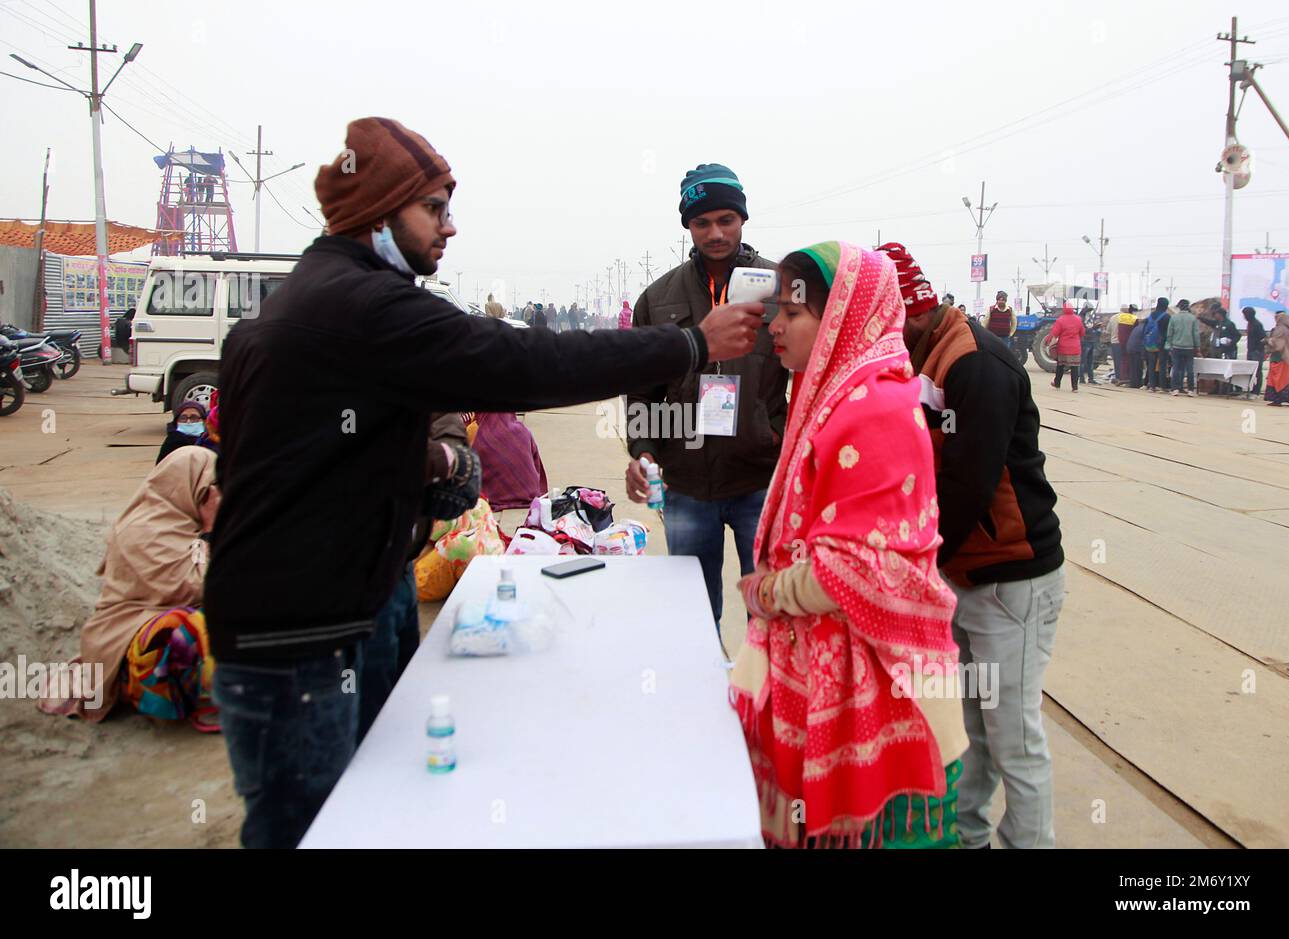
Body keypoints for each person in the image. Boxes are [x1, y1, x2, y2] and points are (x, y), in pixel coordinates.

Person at [206, 118, 766, 849]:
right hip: (299, 634)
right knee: (312, 825)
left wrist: (433, 469)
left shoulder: (323, 301)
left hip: (362, 596)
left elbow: (316, 454)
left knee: (377, 804)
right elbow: (526, 362)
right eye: (433, 209)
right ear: (379, 212)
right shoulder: (362, 306)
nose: (450, 226)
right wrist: (690, 342)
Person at [730, 241, 968, 849]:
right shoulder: (830, 395)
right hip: (829, 673)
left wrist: (766, 593)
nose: (775, 325)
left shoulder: (875, 408)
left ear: (842, 317)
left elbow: (855, 569)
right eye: (777, 310)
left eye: (793, 312)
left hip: (888, 691)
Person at [884, 242, 1065, 849]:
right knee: (969, 725)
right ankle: (968, 836)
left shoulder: (976, 365)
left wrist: (920, 568)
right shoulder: (925, 356)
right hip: (964, 569)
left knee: (1014, 735)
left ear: (911, 310)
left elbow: (968, 485)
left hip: (1010, 577)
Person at [624, 163, 788, 633]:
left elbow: (810, 376)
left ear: (742, 219)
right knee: (693, 618)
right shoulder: (657, 299)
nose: (715, 233)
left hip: (763, 481)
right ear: (688, 226)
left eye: (726, 220)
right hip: (686, 485)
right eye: (702, 222)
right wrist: (643, 452)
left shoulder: (781, 288)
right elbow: (642, 390)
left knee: (773, 617)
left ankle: (765, 684)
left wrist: (784, 441)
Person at [39, 448, 222, 731]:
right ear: (190, 486)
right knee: (191, 627)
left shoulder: (186, 526)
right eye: (214, 487)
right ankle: (201, 704)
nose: (220, 496)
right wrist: (211, 532)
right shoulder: (143, 530)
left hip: (166, 622)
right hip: (130, 640)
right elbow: (197, 589)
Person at [359, 412, 476, 743]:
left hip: (398, 560)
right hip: (352, 582)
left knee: (404, 705)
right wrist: (448, 461)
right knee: (372, 729)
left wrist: (451, 458)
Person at [472, 410, 549, 512]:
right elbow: (536, 465)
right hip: (529, 495)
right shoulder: (523, 431)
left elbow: (474, 475)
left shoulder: (481, 439)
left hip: (494, 498)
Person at [156, 400, 217, 464]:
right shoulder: (171, 442)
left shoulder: (210, 442)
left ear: (204, 421)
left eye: (194, 417)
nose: (188, 421)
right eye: (183, 418)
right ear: (176, 422)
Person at [1046, 303, 1084, 392]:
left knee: (1060, 366)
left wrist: (1049, 342)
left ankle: (1057, 384)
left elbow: (1055, 333)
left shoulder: (1060, 320)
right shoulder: (1078, 319)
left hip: (1063, 347)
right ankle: (1075, 387)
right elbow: (1082, 333)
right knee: (1074, 367)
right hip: (1075, 347)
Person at [1166, 298, 1200, 397]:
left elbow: (1169, 333)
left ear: (1179, 307)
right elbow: (1196, 334)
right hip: (1189, 347)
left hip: (1176, 347)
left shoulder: (1174, 318)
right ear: (1188, 307)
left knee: (1176, 368)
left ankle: (1175, 389)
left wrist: (1168, 345)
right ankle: (1190, 390)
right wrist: (1197, 347)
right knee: (1189, 369)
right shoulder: (1193, 318)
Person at [1265, 311, 1289, 406]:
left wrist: (1268, 341)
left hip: (1281, 358)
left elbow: (1278, 344)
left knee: (1280, 381)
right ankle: (1277, 400)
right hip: (1285, 358)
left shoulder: (1281, 330)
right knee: (1278, 381)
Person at [1144, 298, 1170, 393]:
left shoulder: (1150, 315)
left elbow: (1145, 330)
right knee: (1162, 365)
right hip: (1162, 344)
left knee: (1151, 365)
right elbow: (1169, 332)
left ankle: (1152, 386)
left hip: (1150, 343)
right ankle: (1162, 386)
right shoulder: (1166, 316)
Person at [1244, 307, 1267, 395]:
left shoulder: (1257, 324)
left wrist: (1258, 348)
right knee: (1250, 370)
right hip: (1250, 350)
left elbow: (1263, 338)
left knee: (1257, 371)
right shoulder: (1250, 323)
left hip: (1256, 351)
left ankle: (1257, 390)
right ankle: (1251, 388)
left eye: (1245, 315)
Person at [1080, 306, 1102, 385]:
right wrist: (1093, 328)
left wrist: (1094, 328)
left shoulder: (1088, 319)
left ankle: (1090, 378)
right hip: (1085, 341)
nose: (1090, 313)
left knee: (1090, 361)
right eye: (1089, 311)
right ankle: (1082, 379)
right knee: (1083, 361)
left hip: (1091, 341)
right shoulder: (1082, 319)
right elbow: (1082, 331)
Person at [1126, 311, 1148, 388]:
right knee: (1138, 367)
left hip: (1130, 348)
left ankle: (1133, 383)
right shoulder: (1144, 328)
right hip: (1137, 349)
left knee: (1133, 367)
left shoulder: (1137, 327)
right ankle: (1137, 383)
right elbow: (1144, 341)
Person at [1105, 309, 1125, 384]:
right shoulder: (1128, 317)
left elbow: (1108, 331)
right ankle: (1124, 377)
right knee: (1124, 361)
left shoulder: (1113, 317)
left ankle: (1118, 377)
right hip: (1124, 342)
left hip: (1114, 342)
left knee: (1117, 361)